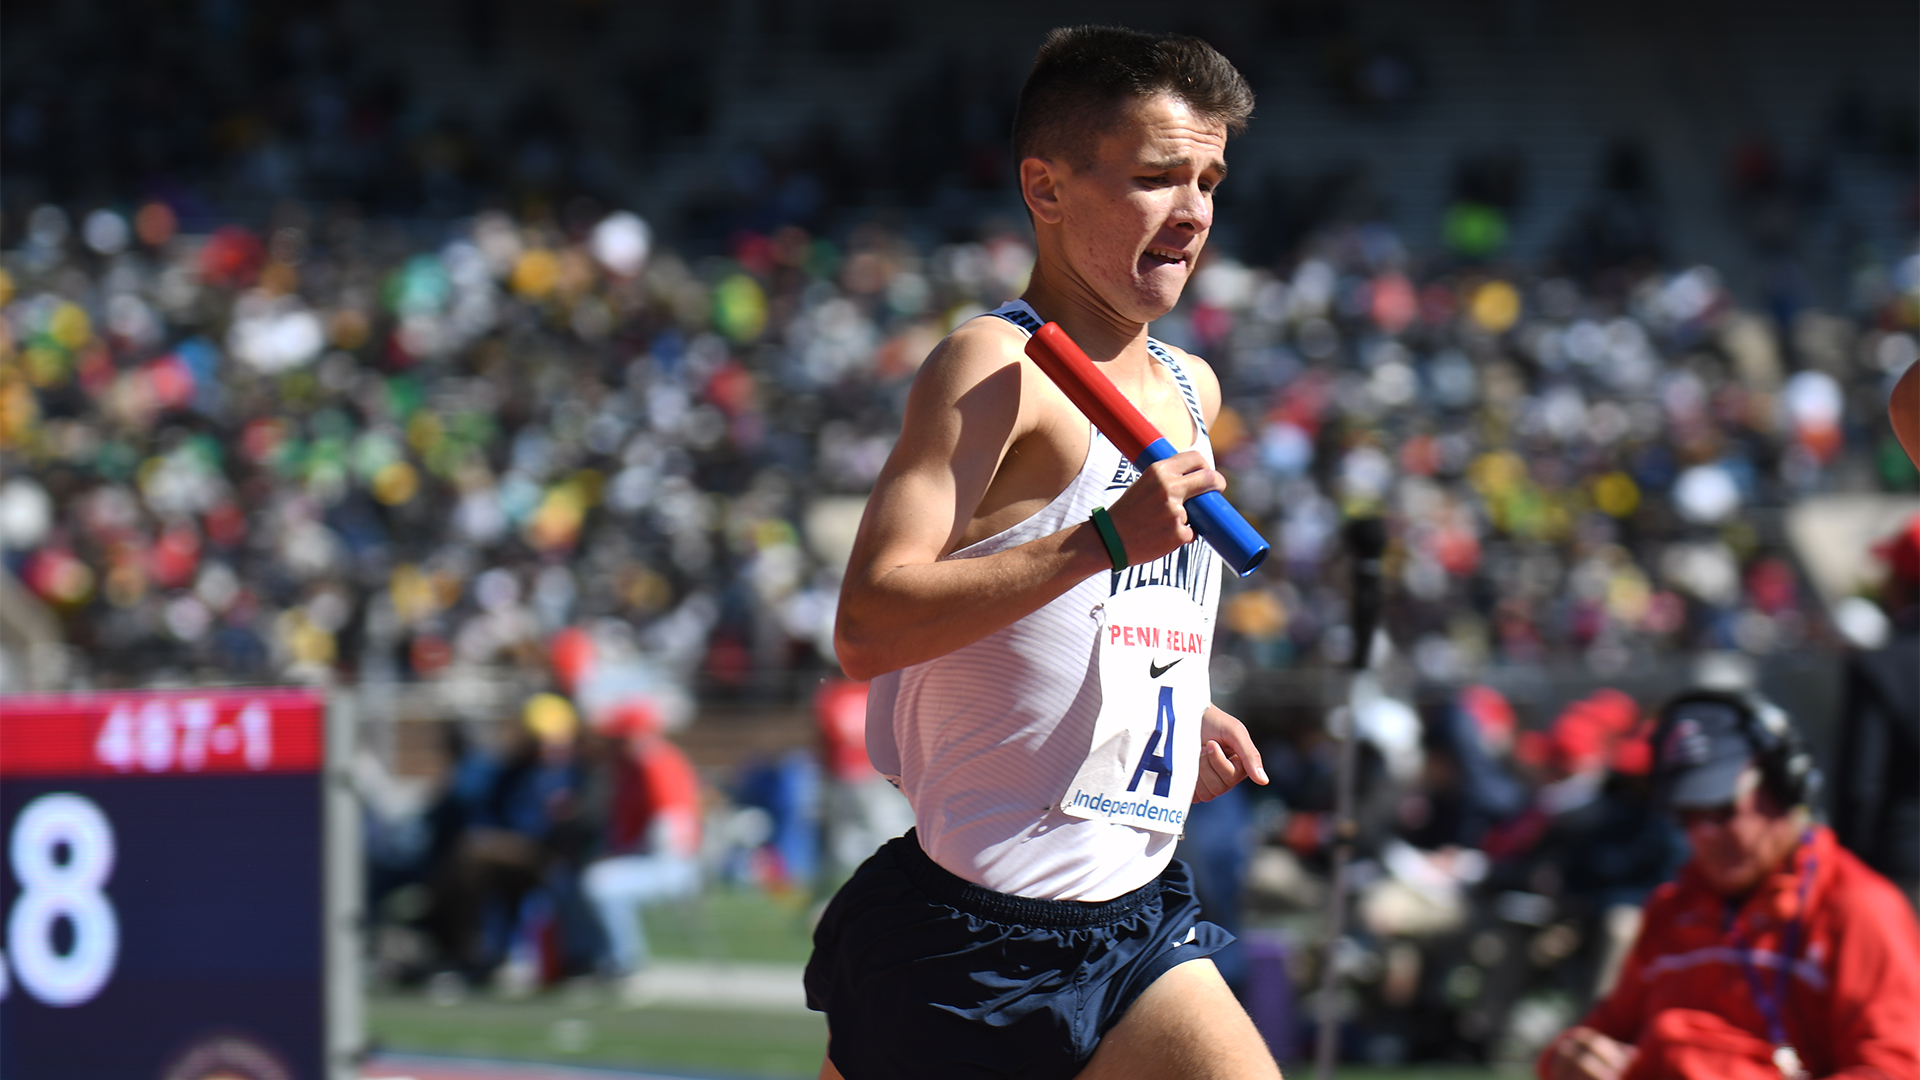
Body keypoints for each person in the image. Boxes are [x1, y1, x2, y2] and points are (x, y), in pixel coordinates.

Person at [804, 25, 1280, 1080]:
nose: (1195, 211)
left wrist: (1168, 701)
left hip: (1134, 915)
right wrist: (1100, 541)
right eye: (1157, 177)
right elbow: (869, 624)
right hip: (972, 934)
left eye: (1209, 178)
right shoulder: (994, 367)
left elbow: (1098, 622)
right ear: (1047, 188)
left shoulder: (1194, 389)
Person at [1538, 688, 1920, 1080]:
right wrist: (1570, 1060)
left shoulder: (1858, 908)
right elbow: (1597, 1037)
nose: (1703, 836)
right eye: (1687, 818)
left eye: (1723, 812)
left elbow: (1893, 1068)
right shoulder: (1673, 910)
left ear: (1786, 786)